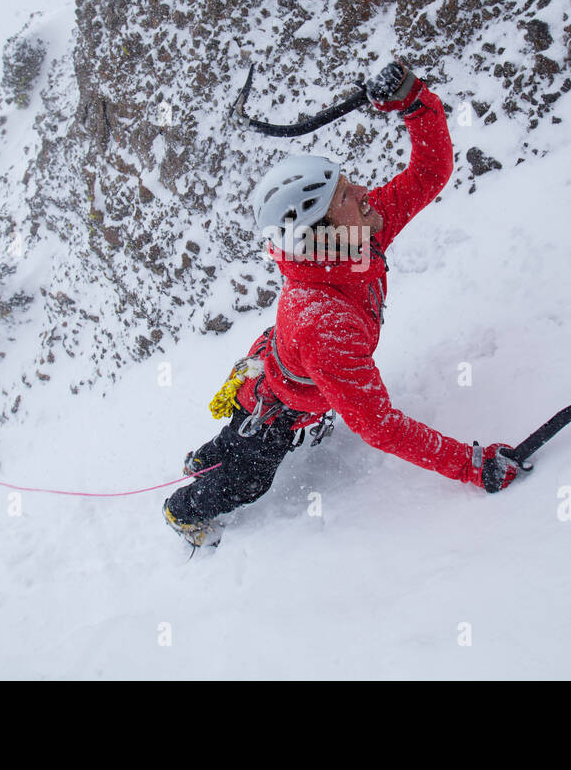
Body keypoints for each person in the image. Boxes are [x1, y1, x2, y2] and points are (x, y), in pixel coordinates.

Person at [163, 61, 520, 548]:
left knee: (237, 442)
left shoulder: (360, 234)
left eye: (347, 183)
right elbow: (381, 427)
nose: (361, 192)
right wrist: (471, 464)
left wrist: (413, 101)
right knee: (248, 479)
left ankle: (205, 459)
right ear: (320, 235)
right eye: (344, 197)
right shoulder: (324, 323)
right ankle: (182, 510)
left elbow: (430, 172)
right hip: (281, 407)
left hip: (276, 378)